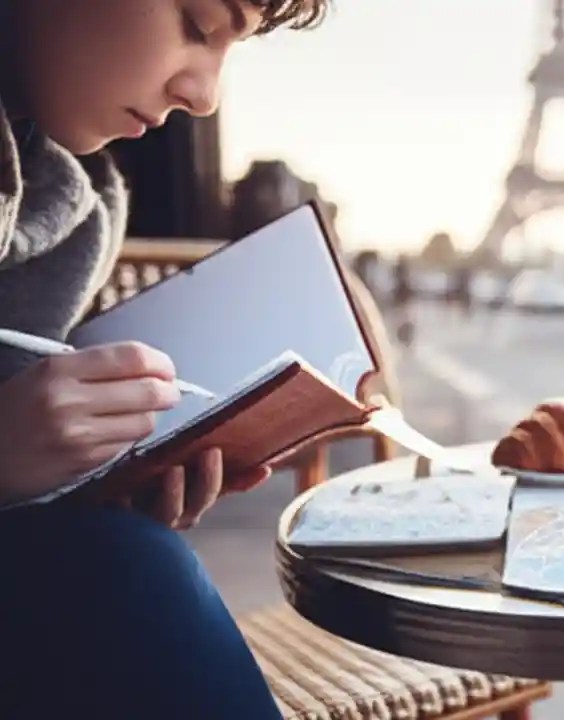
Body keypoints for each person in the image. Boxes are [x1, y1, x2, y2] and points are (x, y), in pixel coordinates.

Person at [0, 1, 328, 717]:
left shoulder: (71, 215)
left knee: (123, 559)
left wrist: (93, 480)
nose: (204, 96)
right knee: (128, 571)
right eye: (199, 24)